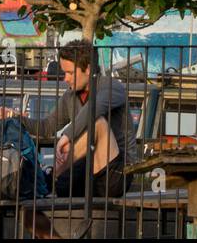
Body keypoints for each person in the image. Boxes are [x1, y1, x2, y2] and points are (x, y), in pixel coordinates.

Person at [9, 40, 137, 199]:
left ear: (88, 69)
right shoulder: (70, 96)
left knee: (98, 123)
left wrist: (67, 136)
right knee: (60, 188)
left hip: (115, 173)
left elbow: (93, 109)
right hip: (84, 170)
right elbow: (47, 126)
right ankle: (49, 182)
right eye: (64, 73)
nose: (65, 79)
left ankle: (52, 177)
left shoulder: (112, 87)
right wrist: (15, 117)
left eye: (70, 73)